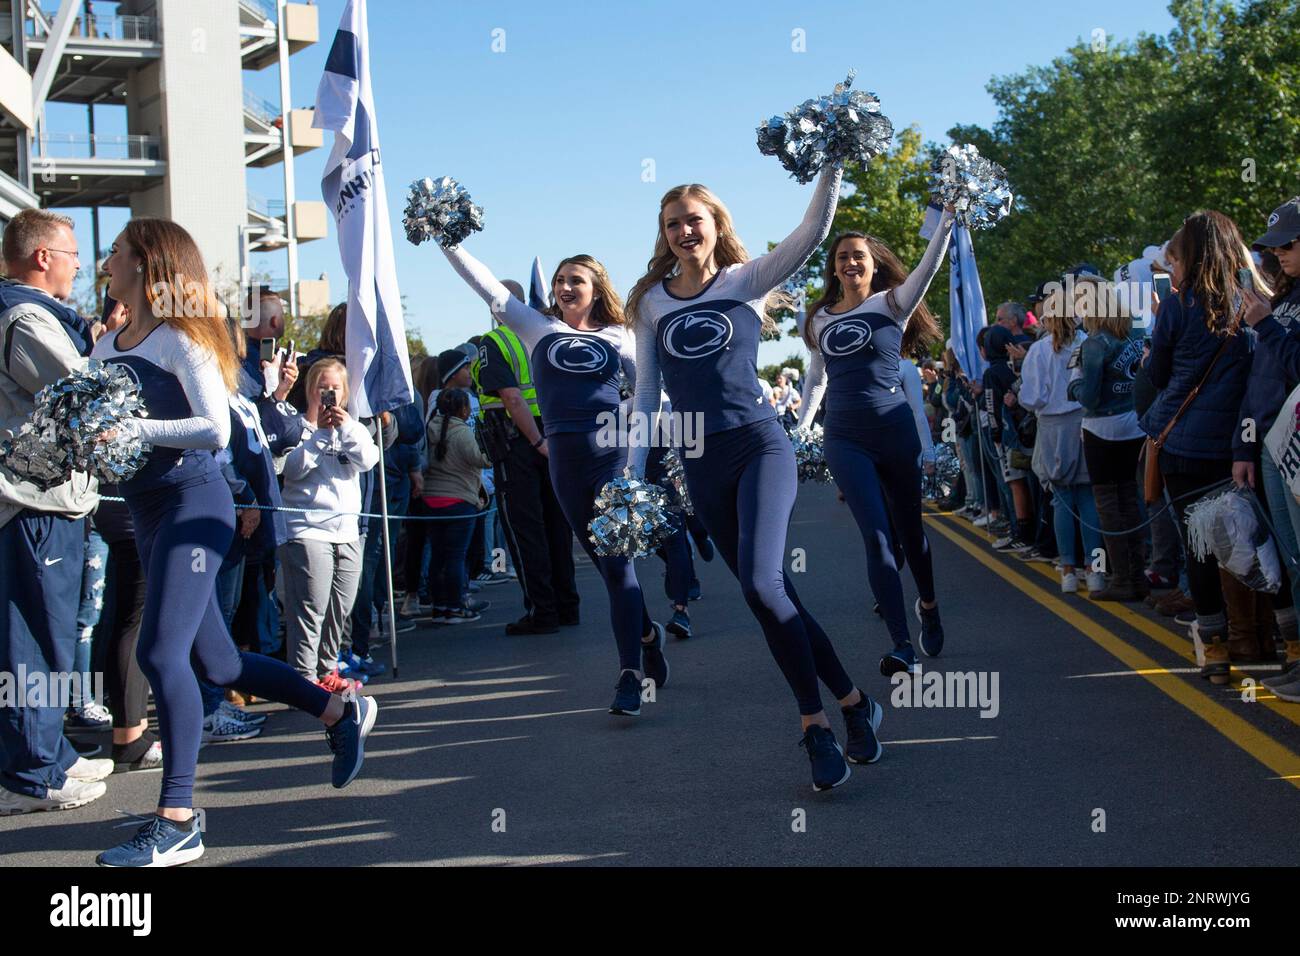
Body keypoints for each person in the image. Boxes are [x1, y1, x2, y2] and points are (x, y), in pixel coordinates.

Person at [90, 219, 376, 866]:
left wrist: (136, 430)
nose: (106, 259)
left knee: (164, 655)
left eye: (117, 251)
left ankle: (179, 817)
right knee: (218, 664)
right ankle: (336, 715)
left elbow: (212, 429)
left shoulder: (180, 338)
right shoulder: (107, 345)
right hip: (146, 509)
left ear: (148, 263)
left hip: (196, 506)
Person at [625, 163, 883, 791]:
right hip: (698, 461)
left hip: (759, 445)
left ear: (716, 227)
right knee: (773, 598)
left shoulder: (746, 281)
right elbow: (645, 394)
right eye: (673, 223)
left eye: (695, 220)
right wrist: (633, 476)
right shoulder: (651, 302)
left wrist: (833, 159)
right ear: (663, 234)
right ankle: (854, 703)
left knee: (764, 587)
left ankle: (814, 726)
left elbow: (812, 229)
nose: (685, 230)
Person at [440, 245, 669, 711]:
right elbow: (483, 282)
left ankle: (628, 674)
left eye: (576, 280)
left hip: (612, 461)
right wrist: (449, 238)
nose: (565, 287)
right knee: (608, 570)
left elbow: (650, 396)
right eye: (560, 279)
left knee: (619, 566)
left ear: (595, 289)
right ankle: (647, 633)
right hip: (563, 465)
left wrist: (642, 456)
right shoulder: (537, 328)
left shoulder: (621, 335)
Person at [797, 214, 953, 676]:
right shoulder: (821, 319)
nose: (849, 262)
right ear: (833, 268)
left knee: (910, 533)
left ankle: (928, 603)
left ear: (874, 265)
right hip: (844, 436)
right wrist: (803, 429)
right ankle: (901, 642)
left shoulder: (894, 303)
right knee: (877, 538)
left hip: (893, 430)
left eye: (858, 256)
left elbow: (928, 266)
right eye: (842, 256)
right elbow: (815, 379)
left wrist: (945, 221)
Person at [0, 209, 109, 815]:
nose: (79, 266)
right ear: (42, 257)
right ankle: (31, 773)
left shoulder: (26, 312)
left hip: (39, 500)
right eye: (70, 253)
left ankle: (48, 753)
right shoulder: (26, 316)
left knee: (46, 638)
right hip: (34, 500)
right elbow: (80, 397)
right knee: (35, 641)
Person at [1141, 211, 1260, 683]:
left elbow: (1160, 376)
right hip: (1238, 445)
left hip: (1184, 444)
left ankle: (1215, 651)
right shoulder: (1251, 303)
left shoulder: (1176, 306)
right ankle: (1265, 641)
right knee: (1246, 541)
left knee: (1201, 548)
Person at [471, 282, 580, 635]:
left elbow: (511, 397)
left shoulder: (495, 341)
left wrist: (534, 442)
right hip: (554, 435)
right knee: (557, 526)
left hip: (519, 442)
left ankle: (542, 611)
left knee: (525, 528)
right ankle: (567, 606)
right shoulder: (547, 336)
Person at [279, 358, 379, 686]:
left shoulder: (355, 429)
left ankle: (327, 671)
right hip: (307, 530)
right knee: (311, 608)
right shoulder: (296, 427)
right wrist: (320, 435)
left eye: (335, 388)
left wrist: (345, 427)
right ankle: (303, 679)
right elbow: (292, 470)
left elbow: (368, 459)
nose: (329, 394)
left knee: (341, 607)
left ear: (346, 394)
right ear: (310, 390)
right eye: (323, 387)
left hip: (347, 530)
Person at [1239, 198, 1300, 698]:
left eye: (1288, 243)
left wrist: (1264, 325)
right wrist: (1245, 445)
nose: (1277, 253)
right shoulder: (1280, 299)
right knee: (1293, 560)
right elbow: (1259, 382)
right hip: (1271, 445)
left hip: (1295, 445)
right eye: (1273, 246)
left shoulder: (1274, 312)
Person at [1019, 286, 1102, 594]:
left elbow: (1032, 397)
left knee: (1062, 500)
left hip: (1053, 428)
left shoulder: (1039, 350)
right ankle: (1095, 570)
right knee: (1088, 498)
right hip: (1083, 423)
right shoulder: (1085, 343)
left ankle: (1068, 569)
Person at [421, 388, 493, 623]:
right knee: (456, 556)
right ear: (463, 409)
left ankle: (439, 606)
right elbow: (480, 459)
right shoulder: (462, 432)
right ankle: (455, 605)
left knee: (438, 556)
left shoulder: (429, 428)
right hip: (459, 500)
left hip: (431, 500)